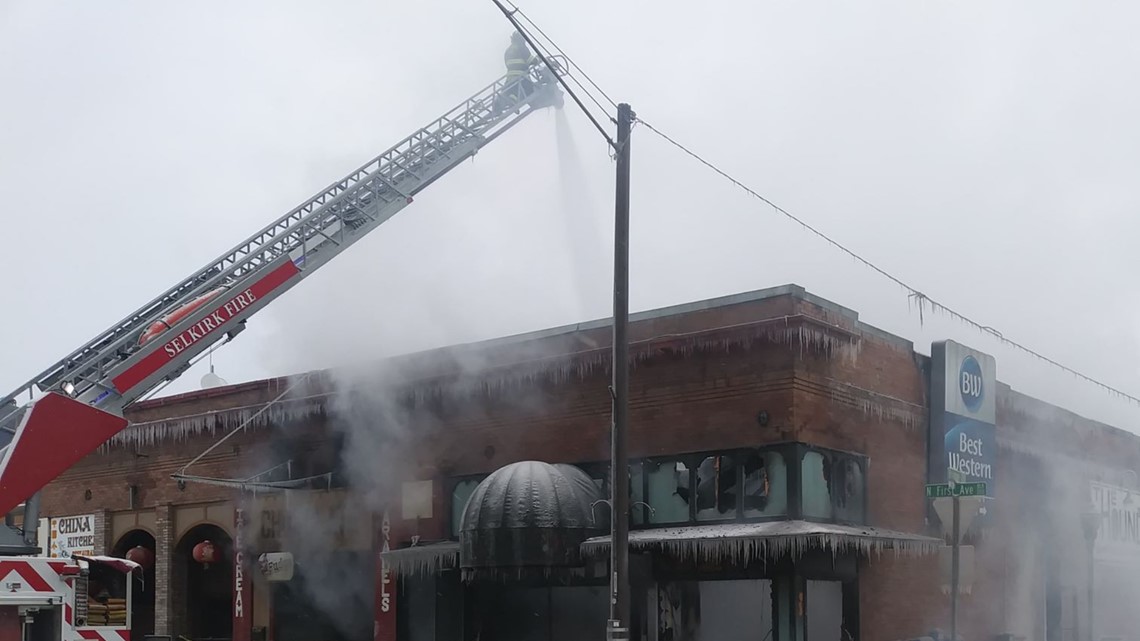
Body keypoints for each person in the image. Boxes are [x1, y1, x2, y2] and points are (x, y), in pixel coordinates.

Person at [503, 31, 537, 100]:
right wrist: (538, 59)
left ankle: (512, 98)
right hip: (522, 79)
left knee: (509, 95)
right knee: (530, 92)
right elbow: (531, 61)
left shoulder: (508, 50)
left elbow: (507, 64)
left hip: (509, 80)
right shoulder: (521, 47)